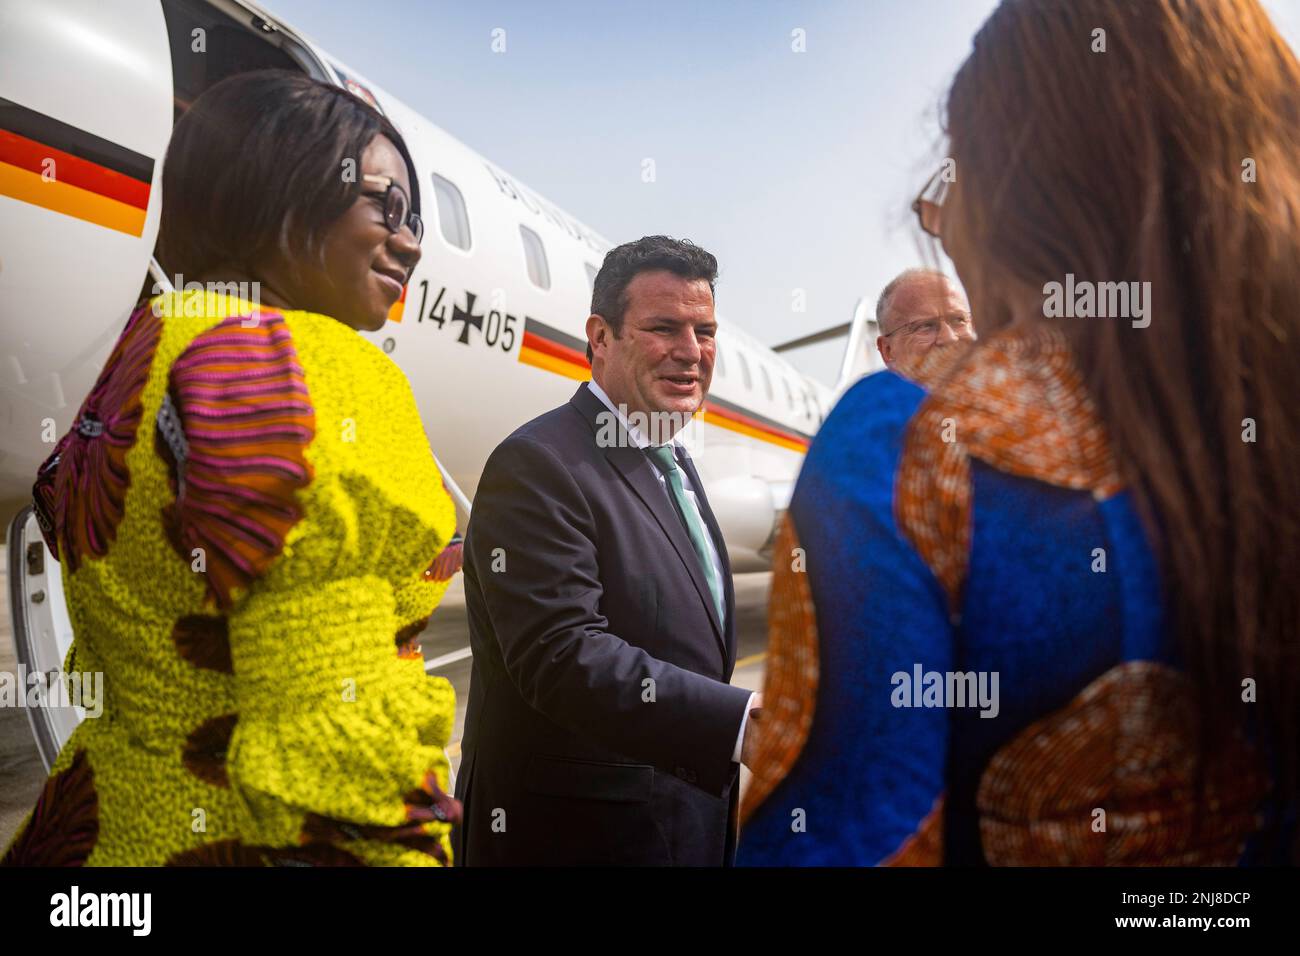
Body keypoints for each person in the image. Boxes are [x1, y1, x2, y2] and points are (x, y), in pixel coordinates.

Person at [739, 0, 1299, 865]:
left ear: (1022, 196)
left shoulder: (907, 445)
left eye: (957, 181)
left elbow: (849, 833)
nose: (947, 230)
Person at [2, 70, 462, 866]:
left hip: (97, 834)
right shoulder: (306, 364)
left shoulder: (137, 356)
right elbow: (331, 737)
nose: (413, 241)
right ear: (280, 191)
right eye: (383, 207)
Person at [454, 236, 760, 866]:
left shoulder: (672, 462)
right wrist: (740, 724)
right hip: (576, 839)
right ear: (599, 337)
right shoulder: (540, 463)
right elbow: (562, 654)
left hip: (674, 826)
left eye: (704, 331)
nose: (691, 352)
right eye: (662, 328)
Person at [873, 269, 975, 378]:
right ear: (888, 350)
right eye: (926, 326)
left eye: (958, 320)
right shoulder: (865, 394)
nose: (949, 338)